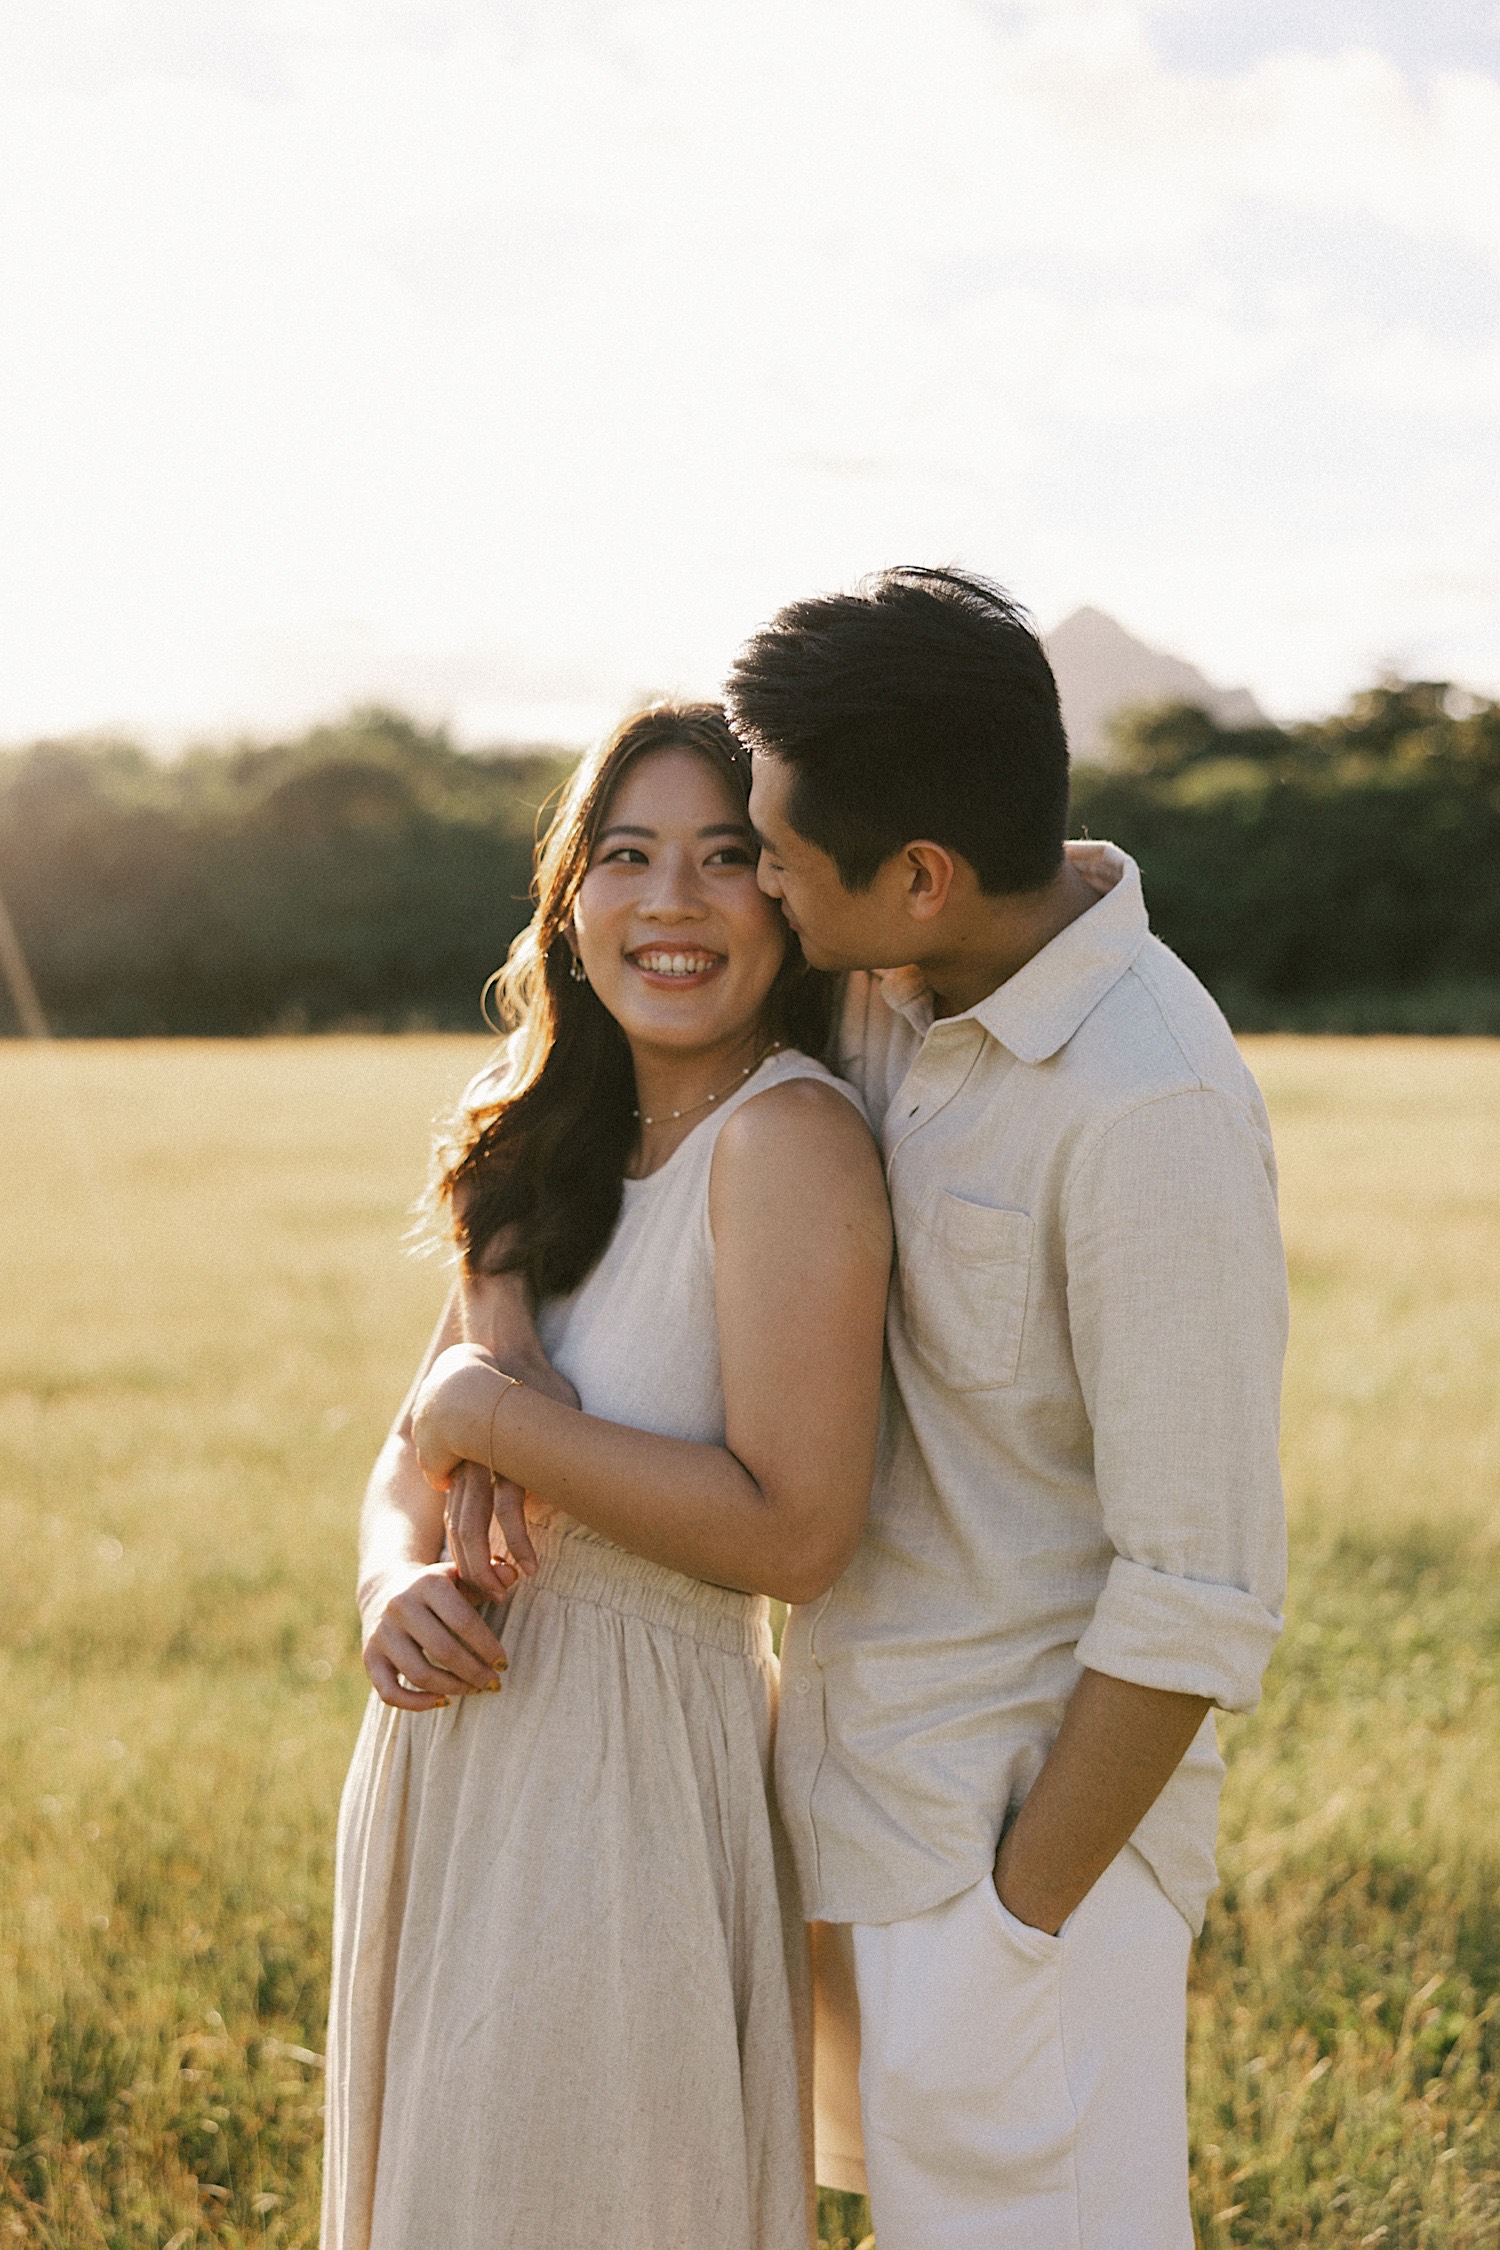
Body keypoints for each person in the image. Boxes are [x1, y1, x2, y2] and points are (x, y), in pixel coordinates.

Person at [723, 566, 1289, 2249]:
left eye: (775, 849)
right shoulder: (905, 982)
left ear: (918, 875)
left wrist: (1019, 1919)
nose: (758, 878)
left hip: (1016, 1871)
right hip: (858, 1820)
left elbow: (1200, 1593)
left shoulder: (1150, 1107)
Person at [321, 704, 892, 2250]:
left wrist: (493, 1415)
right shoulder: (553, 1145)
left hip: (632, 1790)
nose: (674, 904)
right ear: (572, 900)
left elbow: (798, 1528)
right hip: (457, 1765)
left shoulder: (788, 1142)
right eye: (628, 856)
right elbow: (408, 1451)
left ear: (786, 901)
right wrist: (391, 1583)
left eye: (725, 859)